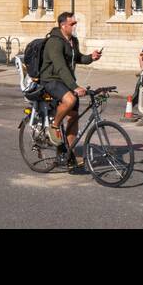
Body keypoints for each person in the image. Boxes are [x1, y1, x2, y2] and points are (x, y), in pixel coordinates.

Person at [40, 11, 103, 173]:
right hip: (51, 79)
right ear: (63, 25)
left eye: (75, 23)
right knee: (70, 100)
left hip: (65, 80)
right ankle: (54, 126)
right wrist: (74, 87)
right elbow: (60, 67)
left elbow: (78, 58)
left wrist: (91, 57)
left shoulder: (72, 41)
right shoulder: (54, 42)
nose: (75, 26)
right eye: (72, 24)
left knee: (73, 116)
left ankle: (69, 154)